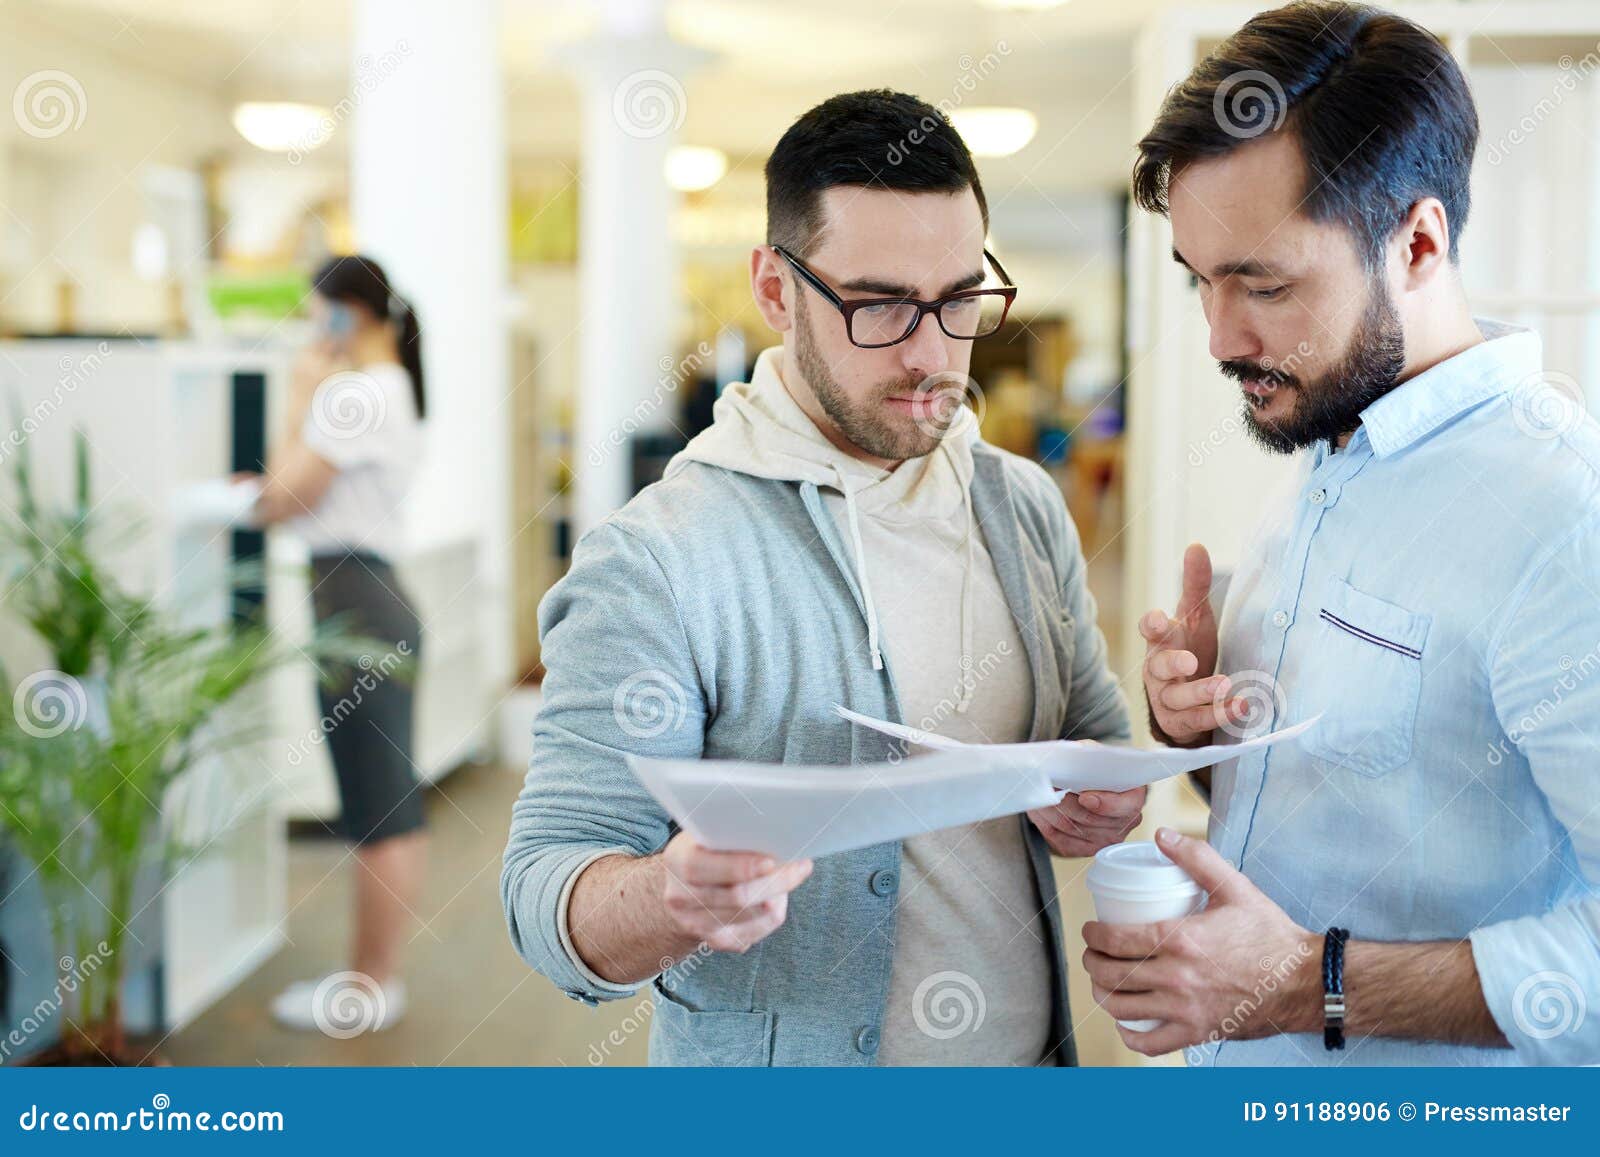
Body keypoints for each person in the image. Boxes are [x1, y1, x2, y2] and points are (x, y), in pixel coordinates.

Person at [502, 90, 1143, 1066]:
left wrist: (1102, 794)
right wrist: (670, 898)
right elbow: (545, 888)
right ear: (775, 289)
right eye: (879, 304)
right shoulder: (659, 556)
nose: (932, 353)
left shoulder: (1021, 505)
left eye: (959, 299)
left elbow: (1090, 743)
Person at [1082, 0, 1600, 1066]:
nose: (1221, 337)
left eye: (1264, 284)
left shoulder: (1563, 516)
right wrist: (1206, 732)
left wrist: (1304, 983)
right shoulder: (1337, 438)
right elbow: (1363, 788)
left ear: (1417, 241)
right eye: (1201, 281)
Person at [243, 254, 428, 1033]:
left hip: (356, 608)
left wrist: (297, 394)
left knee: (377, 807)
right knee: (380, 802)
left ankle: (370, 986)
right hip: (364, 602)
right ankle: (373, 978)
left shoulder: (359, 393)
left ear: (347, 310)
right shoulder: (387, 385)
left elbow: (278, 498)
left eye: (315, 310)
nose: (311, 327)